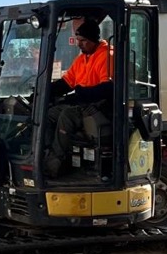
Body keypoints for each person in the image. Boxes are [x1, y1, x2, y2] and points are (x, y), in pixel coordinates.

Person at [44, 15, 114, 178]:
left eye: (83, 41)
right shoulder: (82, 58)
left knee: (66, 116)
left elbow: (108, 88)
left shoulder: (107, 55)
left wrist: (80, 94)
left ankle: (56, 165)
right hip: (83, 103)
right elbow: (67, 82)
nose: (79, 44)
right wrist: (46, 92)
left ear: (93, 39)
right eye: (77, 40)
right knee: (48, 113)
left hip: (99, 106)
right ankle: (46, 155)